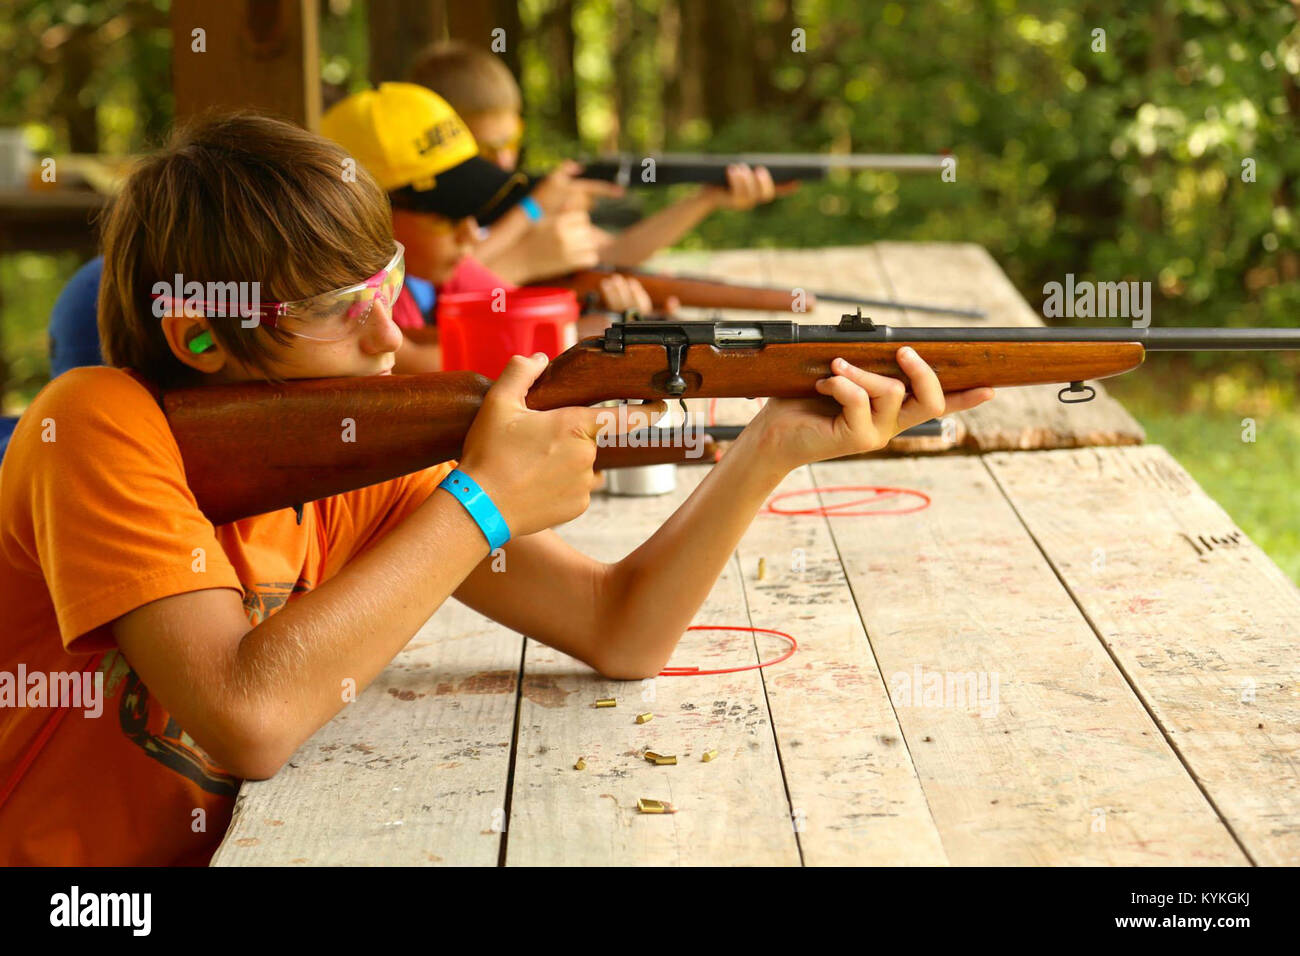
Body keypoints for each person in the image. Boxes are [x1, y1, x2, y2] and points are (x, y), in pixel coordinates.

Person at [0, 112, 993, 864]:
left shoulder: (342, 455)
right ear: (202, 335)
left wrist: (771, 446)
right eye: (342, 310)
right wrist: (480, 501)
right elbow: (246, 717)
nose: (391, 339)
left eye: (389, 287)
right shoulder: (91, 421)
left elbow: (618, 629)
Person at [321, 82, 660, 373]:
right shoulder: (356, 298)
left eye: (473, 212)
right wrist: (583, 334)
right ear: (364, 214)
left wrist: (619, 319)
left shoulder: (441, 271)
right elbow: (431, 360)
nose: (470, 233)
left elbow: (518, 316)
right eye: (446, 216)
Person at [408, 40, 795, 294]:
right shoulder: (419, 211)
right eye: (487, 148)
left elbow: (616, 252)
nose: (507, 159)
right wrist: (533, 210)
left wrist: (704, 199)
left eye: (512, 139)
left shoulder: (519, 195)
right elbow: (453, 290)